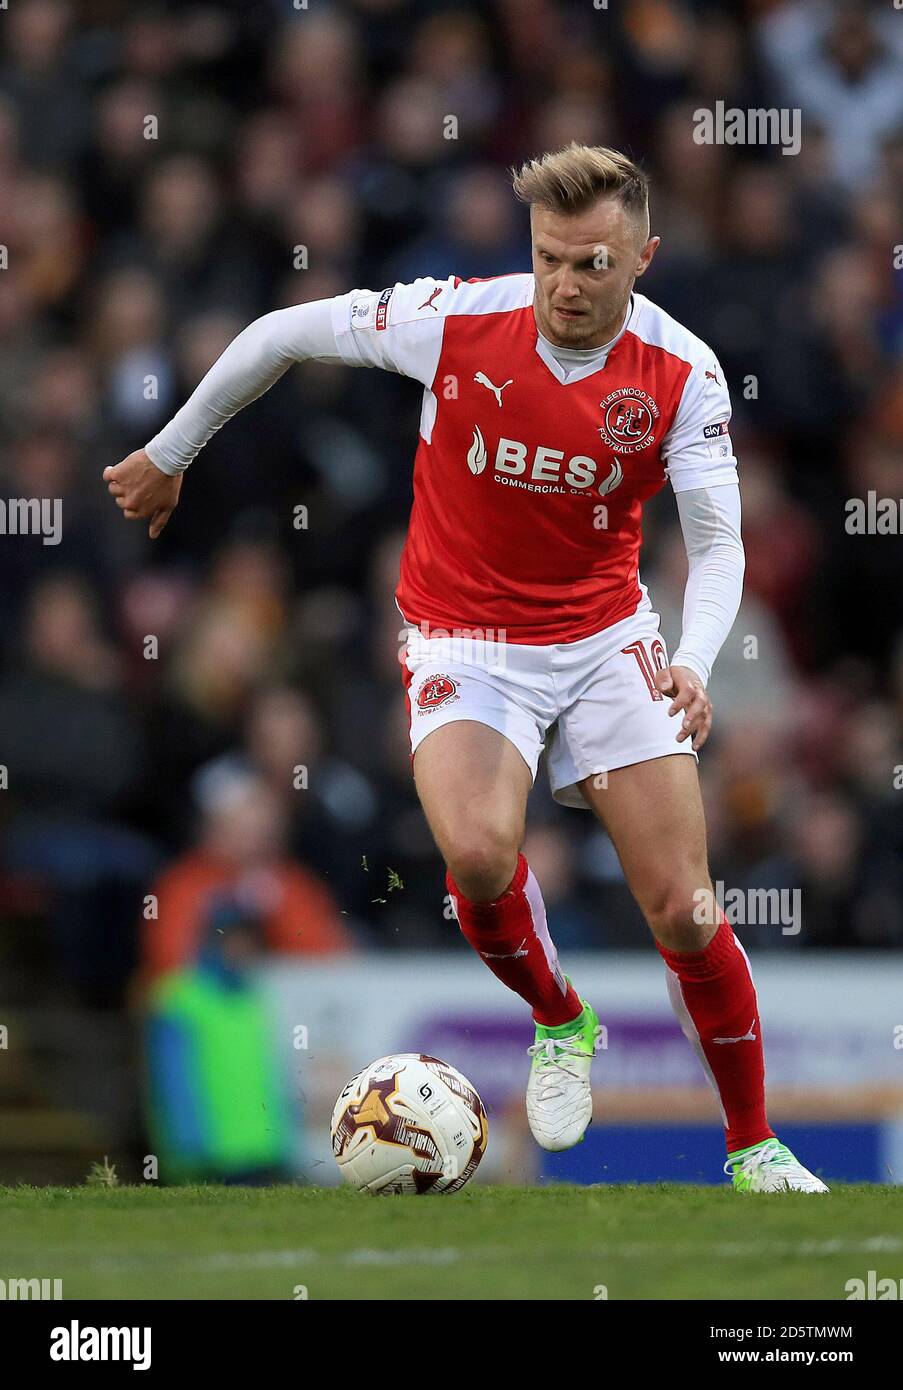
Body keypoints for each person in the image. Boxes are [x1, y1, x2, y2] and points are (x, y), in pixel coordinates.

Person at [103, 142, 826, 1193]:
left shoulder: (683, 370)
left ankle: (754, 1146)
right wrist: (173, 451)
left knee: (687, 909)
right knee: (480, 858)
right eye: (550, 260)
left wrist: (697, 659)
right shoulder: (454, 317)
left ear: (645, 257)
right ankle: (560, 1017)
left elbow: (718, 544)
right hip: (464, 637)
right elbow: (280, 334)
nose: (566, 287)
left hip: (606, 635)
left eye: (594, 265)